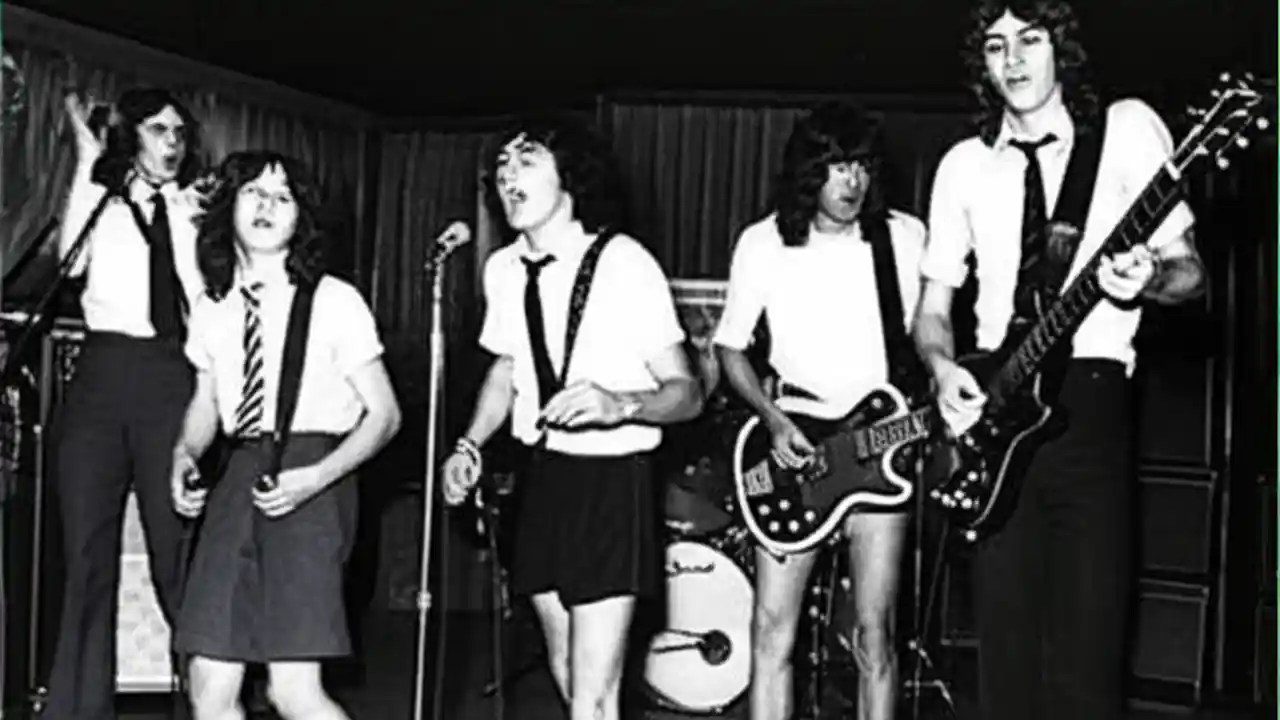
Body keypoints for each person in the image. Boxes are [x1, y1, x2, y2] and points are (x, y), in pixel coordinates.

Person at [913, 2, 1206, 719]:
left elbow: (1190, 272)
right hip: (992, 412)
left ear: (1061, 47)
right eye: (994, 46)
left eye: (1030, 40)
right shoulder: (962, 166)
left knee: (1086, 660)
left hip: (1089, 405)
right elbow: (930, 311)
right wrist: (945, 370)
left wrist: (1150, 281)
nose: (1012, 60)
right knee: (1003, 662)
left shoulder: (1127, 130)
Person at [440, 115, 703, 720]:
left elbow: (686, 392)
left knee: (594, 693)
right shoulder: (503, 270)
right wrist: (470, 446)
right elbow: (507, 371)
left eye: (526, 158)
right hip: (543, 477)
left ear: (570, 177)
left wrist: (620, 405)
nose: (507, 175)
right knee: (564, 672)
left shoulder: (624, 263)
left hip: (613, 480)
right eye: (500, 165)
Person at [713, 101, 928, 720]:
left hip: (884, 446)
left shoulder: (904, 239)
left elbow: (932, 336)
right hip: (794, 447)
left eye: (862, 165)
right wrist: (774, 421)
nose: (852, 182)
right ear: (810, 171)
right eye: (837, 166)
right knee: (770, 631)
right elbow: (730, 349)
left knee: (874, 636)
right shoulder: (764, 242)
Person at [168, 150, 402, 720]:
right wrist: (184, 452)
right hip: (239, 472)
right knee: (209, 683)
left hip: (314, 471)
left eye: (283, 196)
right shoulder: (212, 306)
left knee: (293, 691)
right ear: (229, 208)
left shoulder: (334, 300)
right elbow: (208, 400)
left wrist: (316, 478)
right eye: (253, 192)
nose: (267, 206)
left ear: (303, 219)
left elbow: (386, 416)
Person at [46, 86, 205, 719]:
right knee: (85, 555)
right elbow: (69, 263)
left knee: (176, 556)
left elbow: (212, 298)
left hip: (173, 377)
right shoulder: (103, 204)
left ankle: (208, 703)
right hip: (102, 374)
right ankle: (75, 710)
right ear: (130, 136)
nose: (172, 142)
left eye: (179, 132)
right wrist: (88, 159)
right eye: (158, 129)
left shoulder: (196, 209)